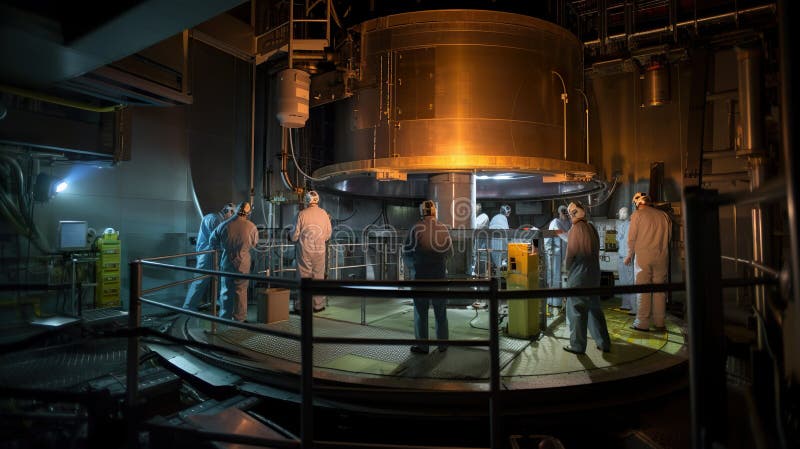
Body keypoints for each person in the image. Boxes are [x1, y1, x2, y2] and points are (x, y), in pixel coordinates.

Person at [404, 200, 453, 354]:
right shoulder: (443, 228)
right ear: (434, 212)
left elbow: (406, 252)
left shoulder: (416, 228)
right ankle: (443, 345)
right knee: (441, 313)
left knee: (421, 313)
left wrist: (413, 267)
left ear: (422, 212)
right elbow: (450, 253)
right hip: (439, 277)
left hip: (421, 278)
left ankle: (423, 346)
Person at [562, 201, 611, 354]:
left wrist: (566, 270)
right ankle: (604, 343)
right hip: (594, 274)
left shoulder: (575, 229)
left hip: (579, 275)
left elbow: (570, 255)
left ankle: (578, 346)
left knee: (576, 310)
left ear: (572, 215)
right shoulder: (591, 228)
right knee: (595, 309)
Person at [624, 192, 672, 332]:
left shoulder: (637, 215)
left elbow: (631, 239)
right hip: (661, 256)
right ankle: (659, 322)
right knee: (659, 291)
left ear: (637, 203)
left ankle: (642, 323)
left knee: (643, 289)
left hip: (643, 257)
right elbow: (668, 237)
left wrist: (629, 255)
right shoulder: (664, 216)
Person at [209, 201, 259, 322]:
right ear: (248, 212)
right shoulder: (251, 226)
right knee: (241, 291)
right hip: (243, 262)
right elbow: (255, 243)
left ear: (236, 210)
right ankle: (239, 318)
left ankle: (224, 317)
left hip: (227, 261)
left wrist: (222, 249)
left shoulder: (225, 224)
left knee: (226, 290)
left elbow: (212, 241)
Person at [182, 202, 235, 310]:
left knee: (218, 281)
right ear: (228, 211)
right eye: (232, 214)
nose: (232, 218)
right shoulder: (214, 219)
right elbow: (216, 239)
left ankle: (218, 305)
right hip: (207, 255)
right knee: (200, 281)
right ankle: (188, 308)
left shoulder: (215, 219)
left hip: (211, 254)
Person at [291, 190, 332, 312]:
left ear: (306, 200)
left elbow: (294, 235)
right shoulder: (324, 214)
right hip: (319, 250)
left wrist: (290, 236)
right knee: (318, 277)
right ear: (317, 200)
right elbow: (328, 234)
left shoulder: (301, 214)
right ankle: (318, 305)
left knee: (304, 277)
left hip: (305, 251)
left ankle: (302, 306)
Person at [545, 205, 571, 309]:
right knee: (554, 277)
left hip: (566, 254)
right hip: (555, 254)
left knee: (565, 277)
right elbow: (551, 237)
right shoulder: (555, 222)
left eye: (566, 212)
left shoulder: (569, 223)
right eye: (563, 212)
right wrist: (549, 251)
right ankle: (554, 302)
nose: (565, 214)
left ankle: (564, 301)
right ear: (559, 213)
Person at [615, 206, 637, 314]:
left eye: (621, 213)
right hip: (621, 255)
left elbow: (631, 242)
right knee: (623, 281)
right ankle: (626, 304)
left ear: (625, 213)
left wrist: (629, 255)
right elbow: (618, 239)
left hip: (628, 257)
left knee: (630, 281)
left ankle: (634, 307)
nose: (619, 215)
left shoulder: (631, 225)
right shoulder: (620, 225)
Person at [489, 204, 511, 275]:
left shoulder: (495, 217)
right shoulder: (503, 219)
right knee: (501, 251)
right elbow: (507, 232)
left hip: (491, 234)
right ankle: (499, 270)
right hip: (501, 233)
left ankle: (497, 268)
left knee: (495, 252)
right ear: (507, 213)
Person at [470, 203, 490, 277]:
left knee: (481, 265)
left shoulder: (483, 216)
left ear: (479, 209)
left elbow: (474, 226)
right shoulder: (477, 218)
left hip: (482, 246)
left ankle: (481, 277)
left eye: (475, 208)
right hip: (477, 245)